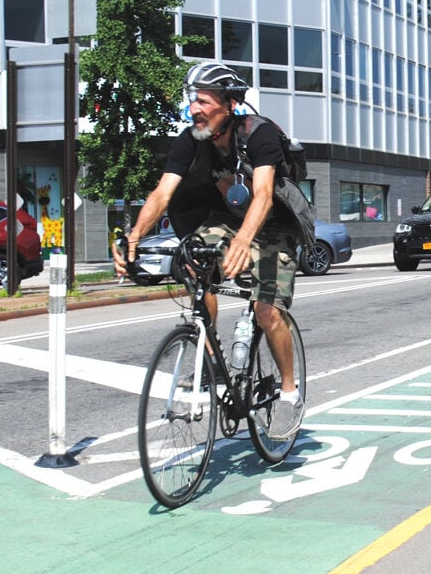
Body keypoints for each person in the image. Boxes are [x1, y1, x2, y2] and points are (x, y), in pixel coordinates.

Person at [111, 61, 304, 440]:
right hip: (229, 222)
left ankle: (289, 393)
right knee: (195, 257)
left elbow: (263, 195)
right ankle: (210, 354)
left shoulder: (258, 135)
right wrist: (134, 237)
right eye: (192, 101)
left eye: (203, 101)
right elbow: (162, 194)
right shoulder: (190, 140)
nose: (194, 109)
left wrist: (245, 241)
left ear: (229, 104)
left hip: (274, 226)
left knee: (268, 311)